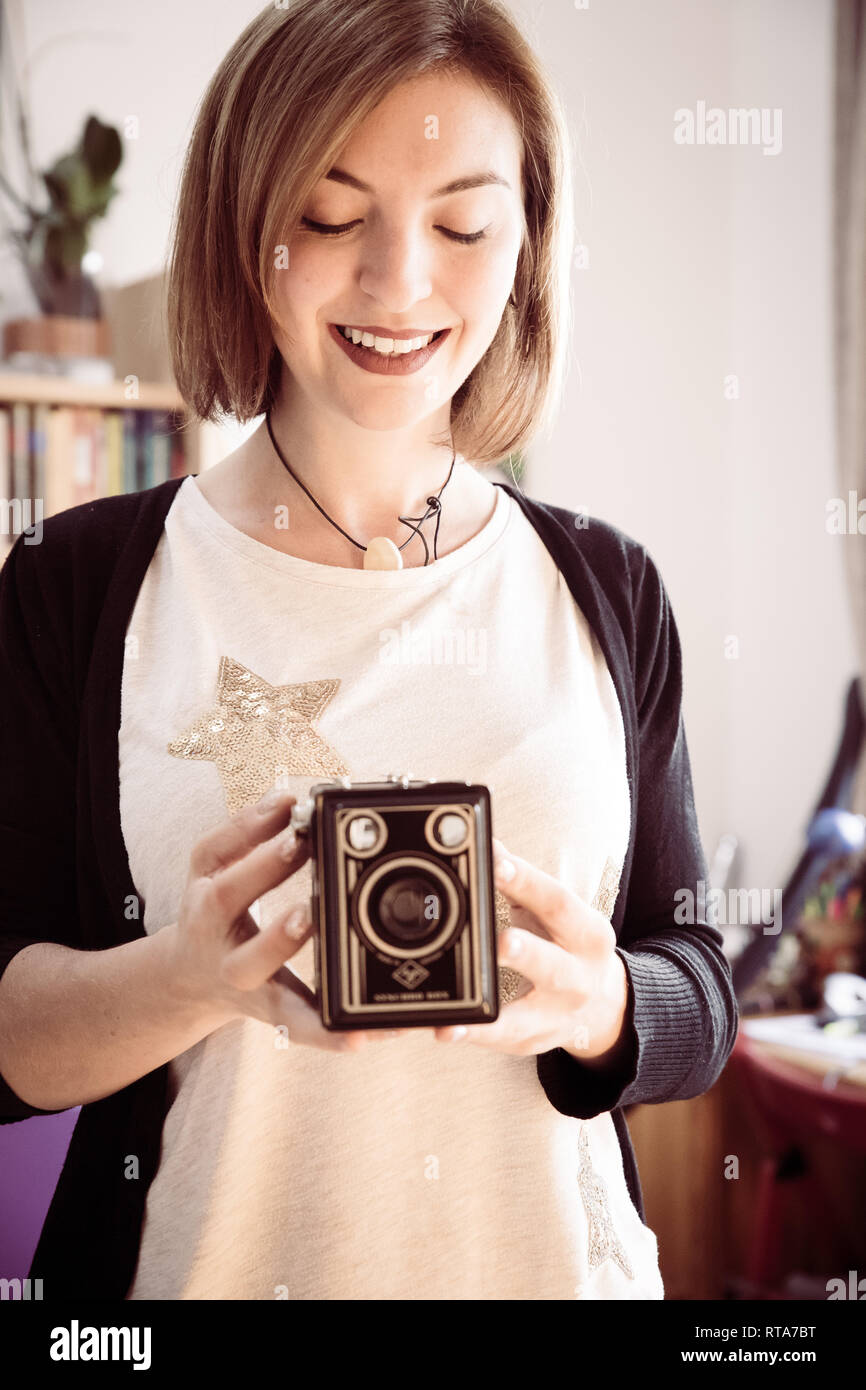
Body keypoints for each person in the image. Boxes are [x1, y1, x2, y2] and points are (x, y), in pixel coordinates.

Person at [0, 0, 737, 1300]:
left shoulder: (607, 587)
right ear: (242, 227)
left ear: (525, 245)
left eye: (461, 222)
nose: (400, 281)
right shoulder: (74, 588)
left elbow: (699, 991)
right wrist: (184, 977)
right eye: (332, 214)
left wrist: (599, 1004)